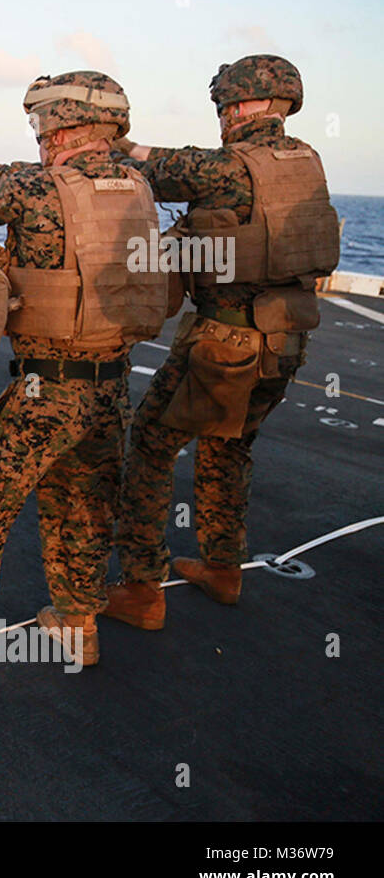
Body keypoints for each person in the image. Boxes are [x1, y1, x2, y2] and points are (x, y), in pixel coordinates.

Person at [0, 71, 165, 700]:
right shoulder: (139, 183)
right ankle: (78, 624)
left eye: (42, 127)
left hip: (46, 390)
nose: (39, 140)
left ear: (64, 126)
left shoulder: (31, 186)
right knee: (84, 506)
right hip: (113, 386)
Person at [105, 55, 339, 627]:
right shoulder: (306, 161)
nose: (225, 114)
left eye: (228, 104)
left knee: (150, 449)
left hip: (224, 342)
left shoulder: (233, 168)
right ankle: (224, 568)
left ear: (250, 104)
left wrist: (117, 144)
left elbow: (160, 169)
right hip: (286, 340)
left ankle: (140, 590)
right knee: (229, 447)